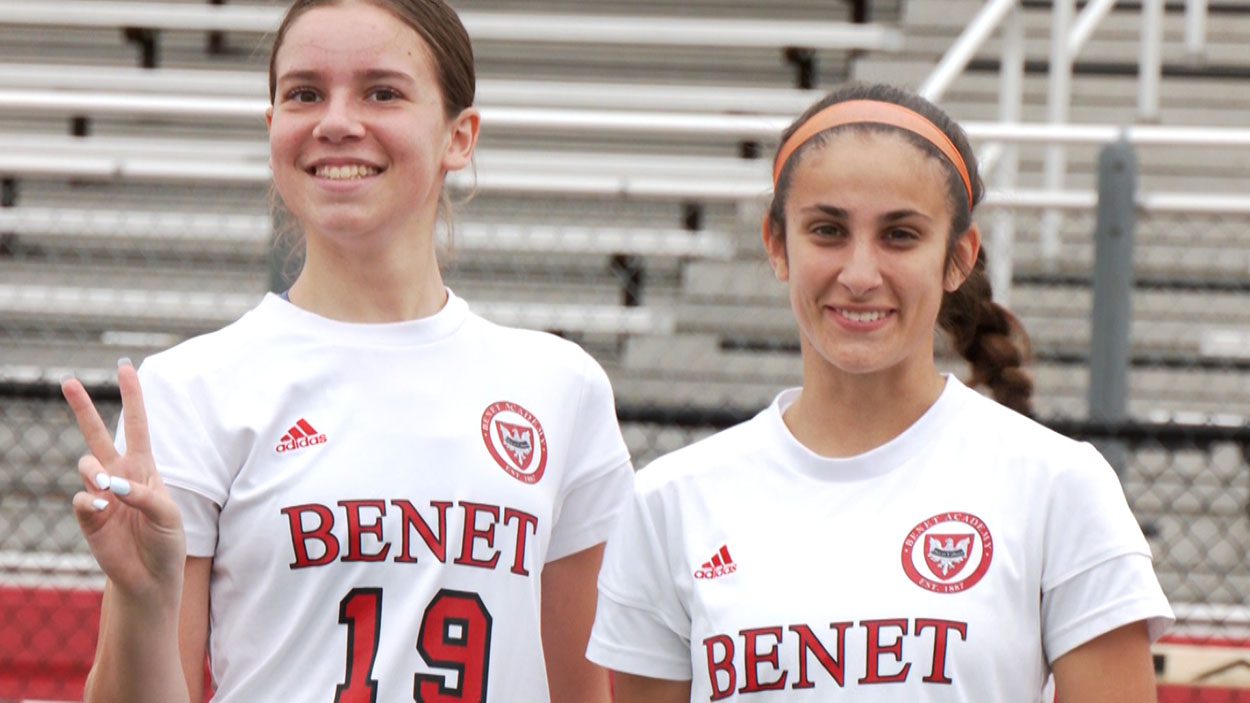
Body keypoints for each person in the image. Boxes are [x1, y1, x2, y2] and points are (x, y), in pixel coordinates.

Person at [59, 1, 633, 701]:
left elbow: (586, 691)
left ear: (460, 136)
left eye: (382, 92)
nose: (335, 121)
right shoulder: (191, 387)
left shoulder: (560, 385)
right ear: (274, 129)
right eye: (304, 93)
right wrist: (142, 601)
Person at [586, 82, 1173, 702]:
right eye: (827, 230)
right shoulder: (671, 502)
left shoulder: (1058, 484)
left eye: (899, 235)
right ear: (777, 244)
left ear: (958, 258)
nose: (860, 275)